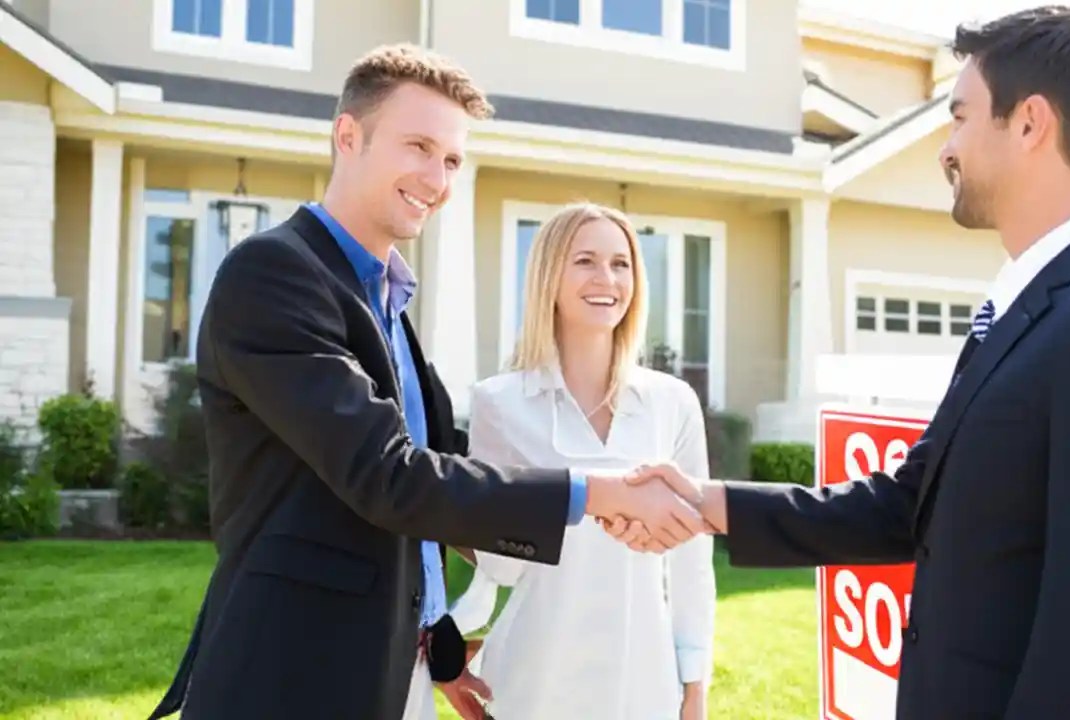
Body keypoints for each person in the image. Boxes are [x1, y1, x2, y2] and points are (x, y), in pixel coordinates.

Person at [608, 7, 1070, 720]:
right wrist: (706, 504)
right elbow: (910, 504)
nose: (945, 149)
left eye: (959, 118)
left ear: (1030, 124)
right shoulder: (1027, 311)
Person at [147, 44, 705, 720]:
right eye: (418, 146)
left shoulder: (385, 304)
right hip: (296, 670)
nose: (436, 179)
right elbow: (391, 477)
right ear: (348, 136)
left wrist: (442, 642)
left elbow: (442, 473)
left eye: (450, 160)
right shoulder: (274, 277)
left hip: (392, 665)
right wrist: (602, 492)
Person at [462, 203, 716, 719]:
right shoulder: (498, 402)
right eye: (585, 261)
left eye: (621, 264)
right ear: (549, 277)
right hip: (534, 683)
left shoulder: (674, 403)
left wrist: (694, 679)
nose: (607, 278)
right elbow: (501, 568)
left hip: (644, 683)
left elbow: (693, 559)